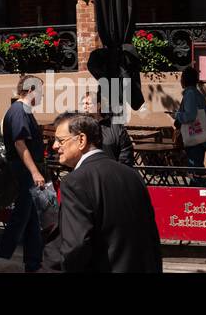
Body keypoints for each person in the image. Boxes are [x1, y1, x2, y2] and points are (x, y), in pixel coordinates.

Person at [43, 113, 162, 272]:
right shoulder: (133, 175)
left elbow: (75, 247)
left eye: (60, 140)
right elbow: (152, 239)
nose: (54, 146)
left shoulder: (76, 181)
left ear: (81, 140)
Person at [0, 76, 46, 271]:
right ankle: (1, 257)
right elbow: (19, 143)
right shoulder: (19, 111)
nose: (43, 95)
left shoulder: (23, 111)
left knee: (32, 217)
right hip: (24, 172)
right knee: (21, 217)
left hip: (26, 171)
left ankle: (33, 262)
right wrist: (34, 172)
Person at [173, 65, 206, 186]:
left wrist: (177, 115)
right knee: (197, 169)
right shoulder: (197, 94)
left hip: (194, 138)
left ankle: (200, 196)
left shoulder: (190, 94)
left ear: (185, 80)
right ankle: (202, 194)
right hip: (200, 137)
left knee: (195, 170)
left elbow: (190, 116)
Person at [81, 89, 134, 166]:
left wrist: (118, 169)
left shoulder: (114, 127)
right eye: (82, 104)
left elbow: (126, 150)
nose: (84, 107)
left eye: (88, 103)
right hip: (87, 173)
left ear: (98, 106)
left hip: (111, 173)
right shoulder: (79, 128)